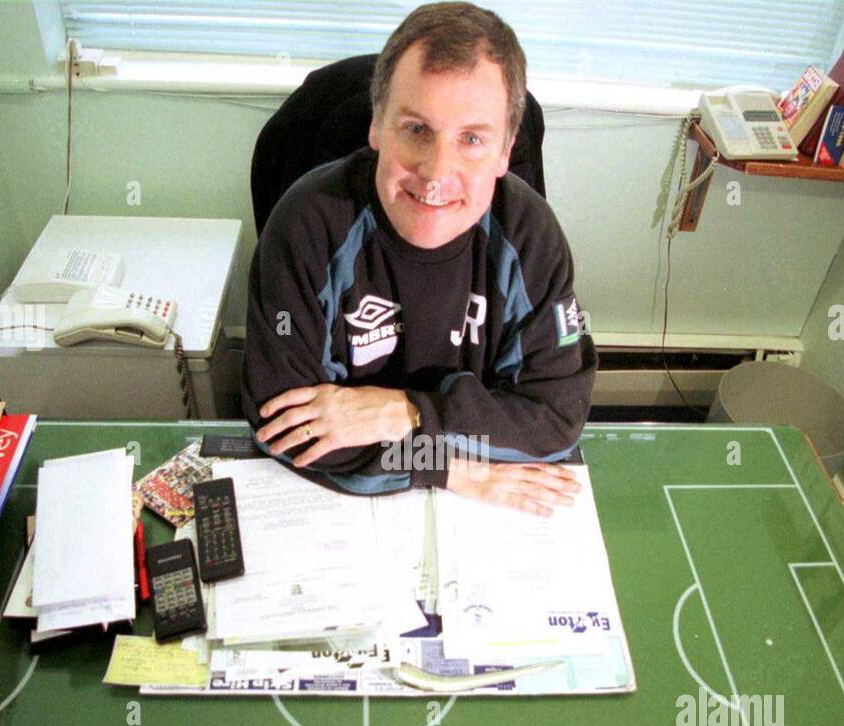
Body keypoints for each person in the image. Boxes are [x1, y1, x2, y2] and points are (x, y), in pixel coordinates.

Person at [241, 2, 596, 516]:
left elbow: (555, 420)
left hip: (486, 515)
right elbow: (289, 431)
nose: (436, 173)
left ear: (505, 151)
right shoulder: (306, 226)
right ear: (376, 126)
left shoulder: (531, 237)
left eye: (471, 139)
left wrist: (405, 410)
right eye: (415, 130)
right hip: (341, 510)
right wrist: (451, 469)